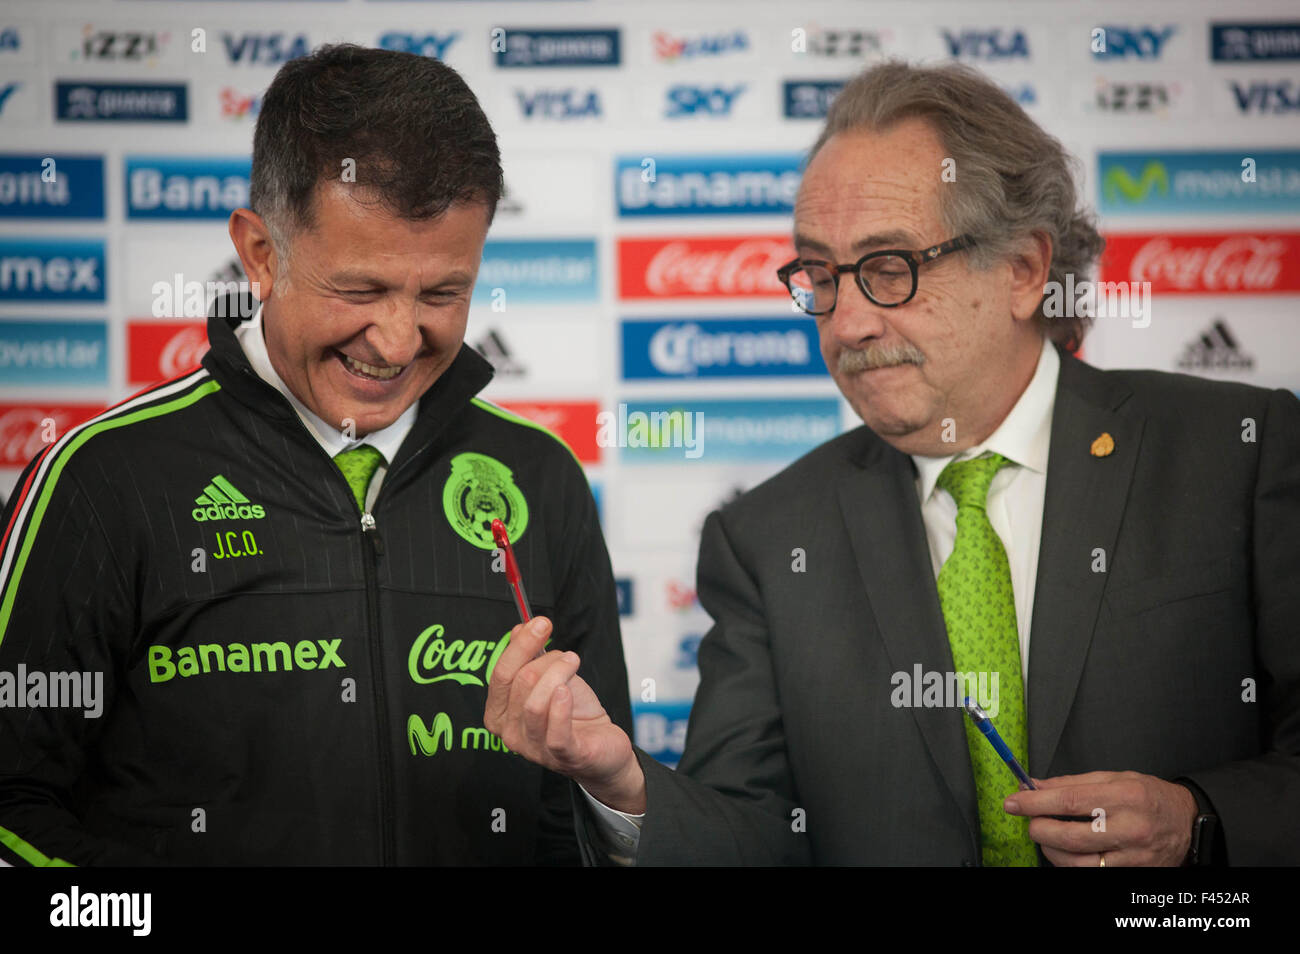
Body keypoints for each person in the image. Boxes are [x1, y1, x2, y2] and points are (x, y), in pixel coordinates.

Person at [485, 60, 1300, 866]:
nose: (846, 325)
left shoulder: (1238, 452)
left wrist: (1201, 821)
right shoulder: (767, 540)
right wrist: (626, 786)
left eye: (888, 269)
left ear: (1023, 271)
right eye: (821, 276)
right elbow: (752, 834)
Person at [0, 44, 631, 866]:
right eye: (360, 290)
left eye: (443, 293)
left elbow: (592, 804)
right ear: (260, 254)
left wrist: (623, 810)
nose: (400, 341)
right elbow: (13, 807)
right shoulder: (103, 477)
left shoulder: (539, 478)